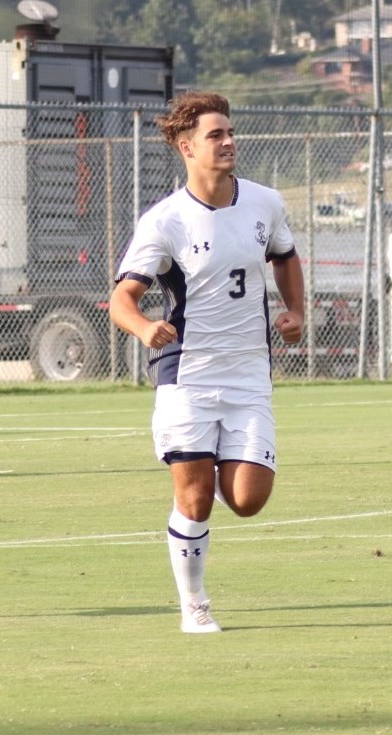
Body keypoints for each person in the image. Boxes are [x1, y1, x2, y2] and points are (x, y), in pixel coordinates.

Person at [109, 91, 304, 634]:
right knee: (195, 500)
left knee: (247, 499)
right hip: (187, 375)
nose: (228, 142)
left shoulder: (265, 202)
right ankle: (194, 602)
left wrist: (295, 311)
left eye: (230, 132)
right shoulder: (166, 221)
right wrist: (146, 327)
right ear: (186, 147)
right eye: (215, 135)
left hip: (248, 374)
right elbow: (123, 298)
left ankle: (215, 459)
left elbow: (285, 257)